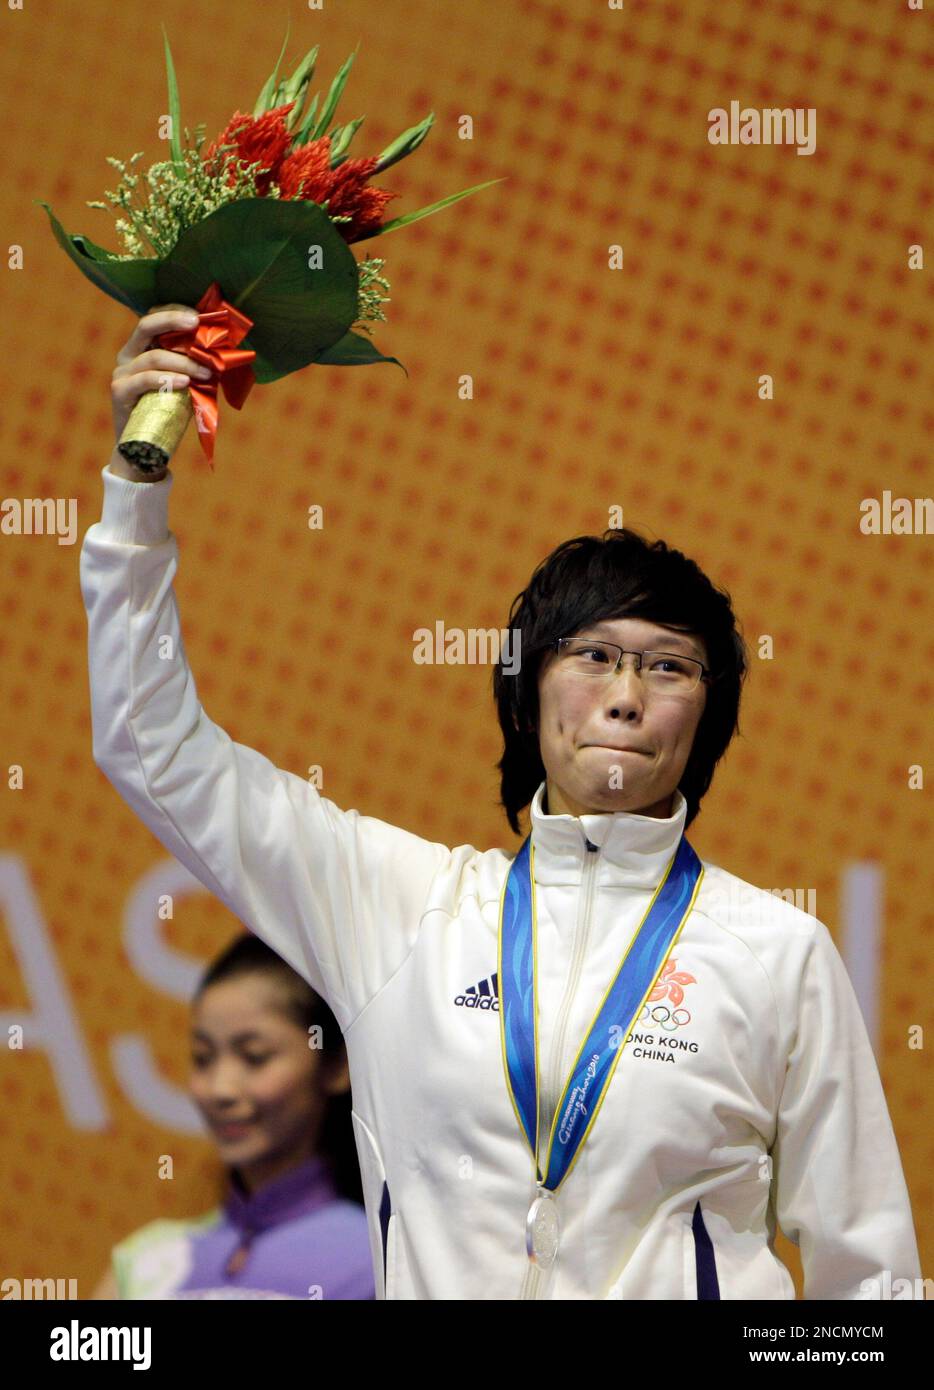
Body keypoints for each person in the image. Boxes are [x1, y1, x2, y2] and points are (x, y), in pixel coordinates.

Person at [79, 302, 922, 1299]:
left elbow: (869, 1290)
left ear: (710, 713)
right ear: (528, 693)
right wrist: (138, 480)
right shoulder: (397, 905)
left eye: (670, 667)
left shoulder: (780, 954)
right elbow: (150, 743)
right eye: (593, 655)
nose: (624, 692)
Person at [90, 931, 374, 1299]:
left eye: (255, 1057)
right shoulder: (144, 1260)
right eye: (203, 1058)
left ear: (336, 1066)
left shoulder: (385, 1260)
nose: (220, 1089)